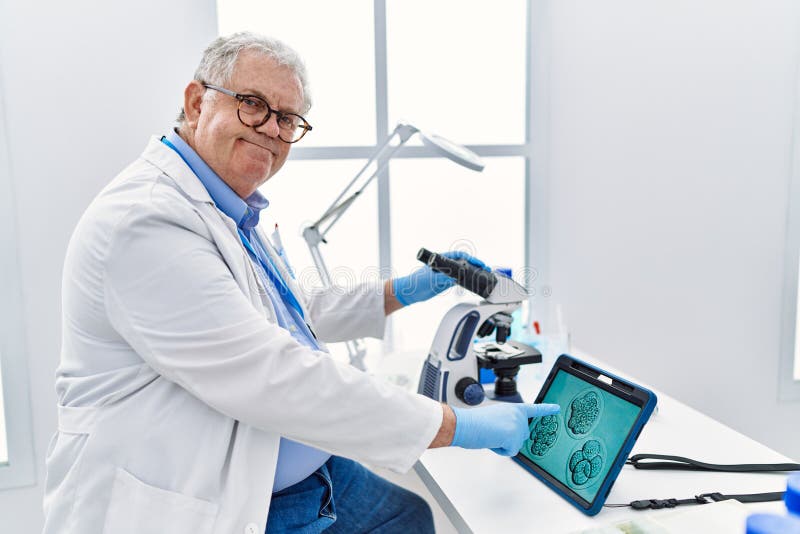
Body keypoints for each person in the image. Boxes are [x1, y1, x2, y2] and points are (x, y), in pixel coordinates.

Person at [42, 32, 559, 534]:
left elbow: (289, 313)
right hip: (212, 492)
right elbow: (272, 372)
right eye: (252, 104)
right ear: (197, 102)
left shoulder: (226, 207)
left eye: (288, 118)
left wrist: (402, 290)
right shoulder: (146, 221)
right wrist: (454, 425)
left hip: (303, 467)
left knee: (406, 517)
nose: (271, 128)